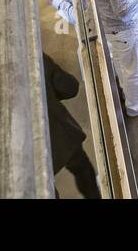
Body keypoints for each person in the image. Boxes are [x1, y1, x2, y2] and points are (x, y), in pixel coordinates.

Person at [42, 54, 101, 198]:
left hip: (26, 164)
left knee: (46, 191)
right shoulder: (31, 56)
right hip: (59, 136)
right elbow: (70, 88)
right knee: (81, 167)